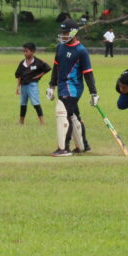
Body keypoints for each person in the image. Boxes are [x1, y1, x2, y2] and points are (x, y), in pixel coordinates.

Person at [47, 20, 98, 157]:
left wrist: (93, 93)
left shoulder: (81, 51)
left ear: (74, 32)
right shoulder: (60, 47)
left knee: (63, 113)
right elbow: (56, 67)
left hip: (73, 88)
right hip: (62, 87)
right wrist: (51, 85)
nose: (63, 35)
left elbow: (88, 73)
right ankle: (83, 146)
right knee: (73, 115)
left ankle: (64, 148)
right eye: (62, 32)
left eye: (66, 32)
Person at [15, 42, 50, 125]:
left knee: (36, 103)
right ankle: (21, 121)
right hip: (23, 86)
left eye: (26, 51)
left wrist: (39, 76)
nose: (25, 53)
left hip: (32, 85)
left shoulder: (38, 62)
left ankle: (42, 122)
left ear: (33, 51)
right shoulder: (22, 63)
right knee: (23, 104)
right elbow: (19, 75)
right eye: (24, 51)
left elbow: (47, 68)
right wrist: (18, 87)